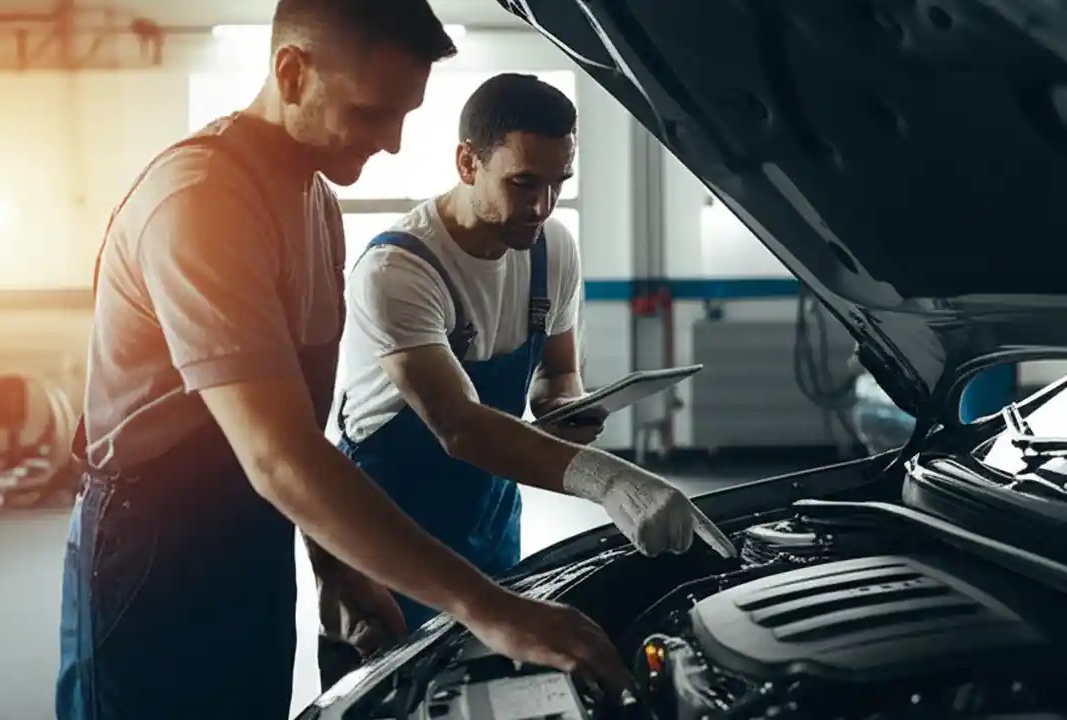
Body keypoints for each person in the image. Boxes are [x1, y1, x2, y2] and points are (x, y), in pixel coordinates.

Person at [56, 4, 646, 718]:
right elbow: (278, 457)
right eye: (372, 113)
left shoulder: (316, 202)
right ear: (292, 72)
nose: (393, 144)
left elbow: (301, 424)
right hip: (151, 556)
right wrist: (493, 609)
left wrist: (335, 568)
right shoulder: (201, 203)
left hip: (257, 538)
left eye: (405, 115)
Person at [325, 73, 735, 649]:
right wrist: (610, 481)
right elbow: (460, 426)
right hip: (385, 532)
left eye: (558, 182)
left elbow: (557, 374)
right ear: (468, 163)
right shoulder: (400, 270)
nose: (541, 205)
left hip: (489, 516)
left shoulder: (552, 247)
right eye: (522, 183)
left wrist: (568, 406)